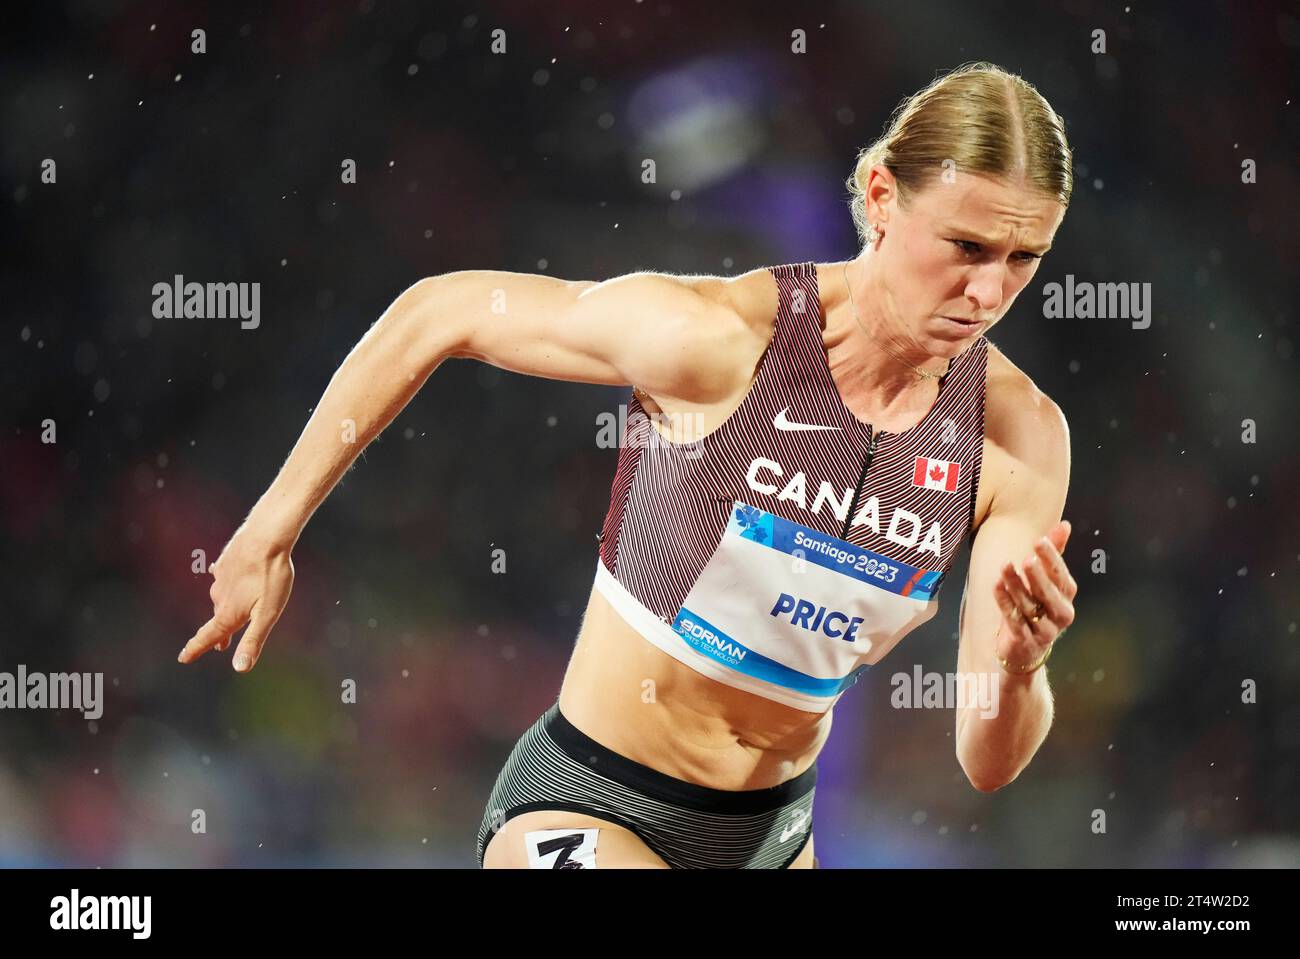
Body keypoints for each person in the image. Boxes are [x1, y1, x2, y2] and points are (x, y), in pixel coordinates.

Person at [179, 61, 1080, 869]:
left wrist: (1017, 667)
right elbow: (440, 310)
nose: (989, 291)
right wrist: (270, 528)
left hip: (773, 839)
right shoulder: (721, 342)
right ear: (881, 196)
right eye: (965, 247)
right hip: (593, 802)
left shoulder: (1019, 441)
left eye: (1023, 259)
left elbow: (985, 760)